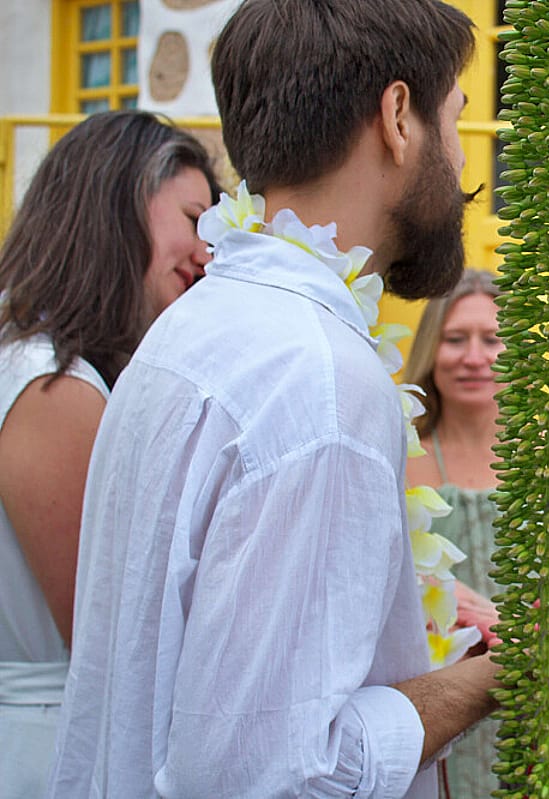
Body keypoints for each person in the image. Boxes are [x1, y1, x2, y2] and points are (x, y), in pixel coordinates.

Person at [46, 2, 502, 796]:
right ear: (399, 117)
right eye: (456, 120)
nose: (463, 168)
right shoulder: (318, 378)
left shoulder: (195, 324)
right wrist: (488, 680)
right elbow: (274, 772)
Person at [0, 109, 219, 797]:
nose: (209, 251)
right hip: (50, 744)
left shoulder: (37, 362)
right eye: (194, 218)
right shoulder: (53, 387)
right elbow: (114, 627)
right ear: (120, 202)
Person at [403, 268, 504, 798]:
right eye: (455, 339)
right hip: (430, 705)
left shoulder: (546, 461)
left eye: (491, 339)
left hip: (527, 705)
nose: (473, 356)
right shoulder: (400, 453)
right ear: (430, 348)